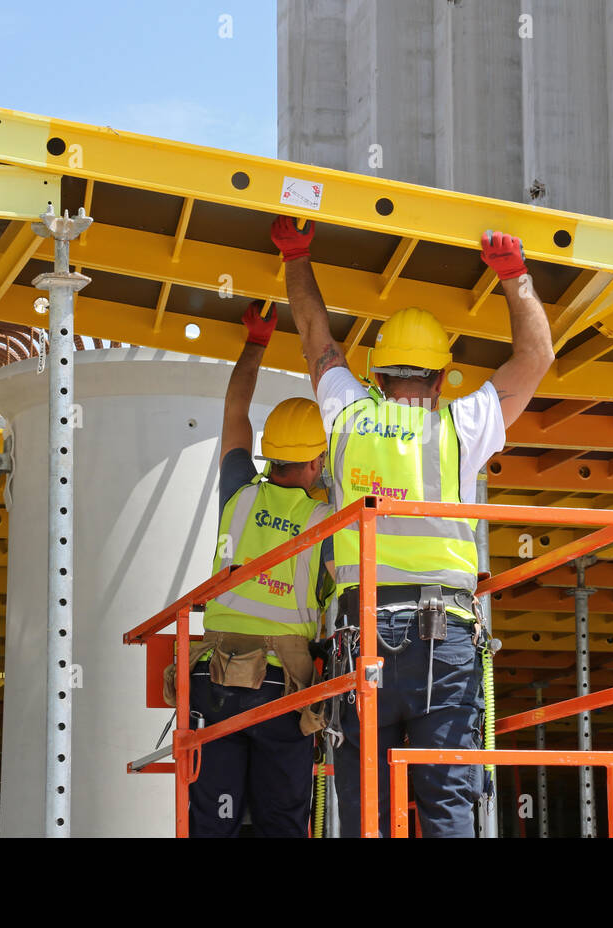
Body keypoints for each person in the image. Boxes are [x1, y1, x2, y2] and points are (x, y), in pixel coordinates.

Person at [270, 216, 555, 837]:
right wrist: (515, 279)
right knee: (449, 803)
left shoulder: (346, 411)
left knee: (363, 802)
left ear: (376, 372)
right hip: (443, 639)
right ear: (441, 375)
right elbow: (537, 357)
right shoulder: (461, 426)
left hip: (359, 634)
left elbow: (315, 335)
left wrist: (297, 256)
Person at [182, 299, 333, 837]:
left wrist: (256, 342)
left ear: (271, 455)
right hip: (282, 690)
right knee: (282, 819)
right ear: (318, 461)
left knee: (212, 818)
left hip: (214, 681)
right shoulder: (327, 520)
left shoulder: (238, 494)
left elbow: (234, 413)